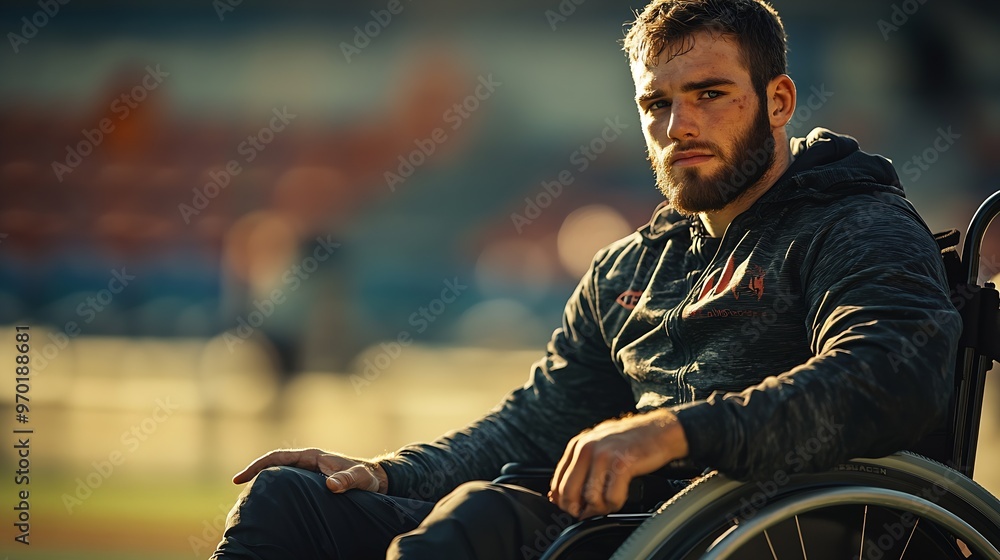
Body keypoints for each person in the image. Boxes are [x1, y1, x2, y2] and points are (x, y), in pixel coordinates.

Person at [210, 0, 961, 558]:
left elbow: (888, 376)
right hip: (621, 533)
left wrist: (672, 432)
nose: (678, 127)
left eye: (709, 94)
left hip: (763, 537)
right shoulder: (632, 265)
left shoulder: (858, 225)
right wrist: (383, 473)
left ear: (778, 102)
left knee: (486, 520)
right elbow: (532, 425)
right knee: (292, 505)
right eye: (656, 104)